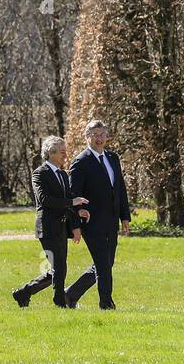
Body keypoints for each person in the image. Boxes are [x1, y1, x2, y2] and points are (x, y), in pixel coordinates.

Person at [12, 135, 89, 308]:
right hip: (47, 228)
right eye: (62, 152)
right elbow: (45, 200)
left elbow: (69, 200)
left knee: (58, 268)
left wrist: (77, 218)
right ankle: (60, 303)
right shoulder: (40, 173)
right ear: (51, 152)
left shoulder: (62, 174)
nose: (65, 155)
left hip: (61, 227)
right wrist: (72, 202)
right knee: (59, 268)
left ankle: (23, 293)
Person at [64, 120, 131, 309]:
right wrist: (77, 217)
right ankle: (106, 304)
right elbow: (73, 194)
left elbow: (120, 189)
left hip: (111, 221)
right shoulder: (81, 162)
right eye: (95, 134)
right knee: (103, 263)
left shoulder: (112, 157)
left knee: (106, 263)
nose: (99, 138)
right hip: (91, 222)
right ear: (87, 137)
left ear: (107, 136)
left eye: (102, 134)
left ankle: (71, 294)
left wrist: (124, 216)